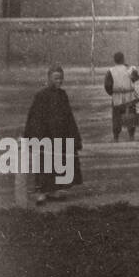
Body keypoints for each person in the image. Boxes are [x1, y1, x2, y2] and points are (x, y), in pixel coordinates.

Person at [24, 66, 83, 204]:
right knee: (45, 164)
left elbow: (68, 116)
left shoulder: (63, 94)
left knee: (60, 163)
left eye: (61, 78)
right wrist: (34, 137)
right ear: (49, 78)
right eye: (56, 78)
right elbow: (34, 117)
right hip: (46, 135)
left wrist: (74, 136)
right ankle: (41, 192)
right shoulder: (41, 95)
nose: (59, 81)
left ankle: (55, 190)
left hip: (61, 134)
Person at [103, 51, 139, 141]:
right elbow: (136, 78)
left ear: (114, 60)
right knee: (131, 116)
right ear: (123, 59)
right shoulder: (130, 69)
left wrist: (113, 93)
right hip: (130, 97)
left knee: (116, 118)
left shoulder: (110, 71)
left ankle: (116, 137)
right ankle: (131, 136)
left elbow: (107, 85)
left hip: (116, 98)